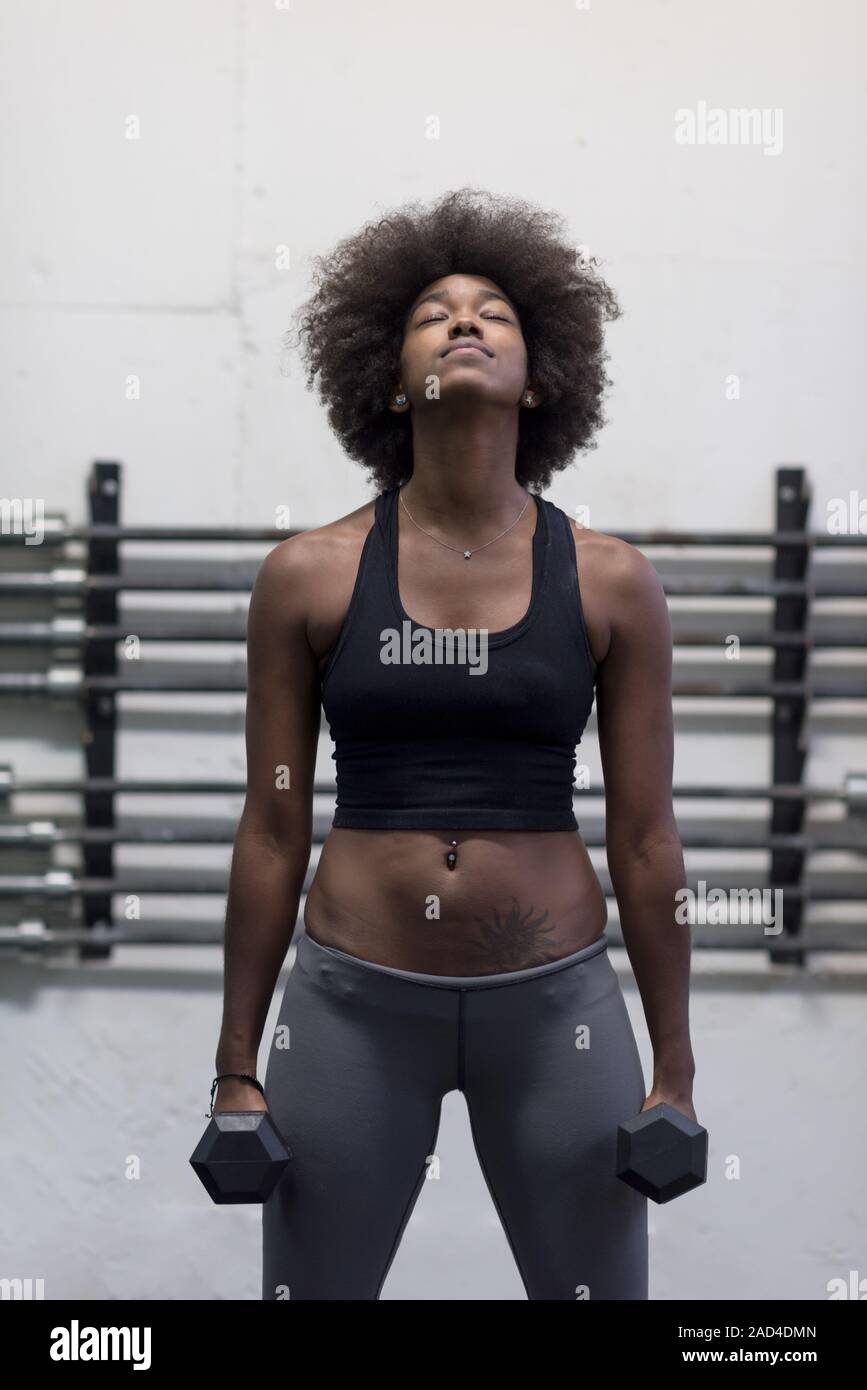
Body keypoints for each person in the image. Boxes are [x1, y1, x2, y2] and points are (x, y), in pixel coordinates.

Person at [212, 188, 698, 1300]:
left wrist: (673, 1064)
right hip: (352, 1004)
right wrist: (235, 1069)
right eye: (434, 312)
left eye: (495, 313)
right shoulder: (310, 574)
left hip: (555, 1003)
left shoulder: (614, 580)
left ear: (542, 377)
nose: (465, 322)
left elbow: (649, 835)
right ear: (391, 377)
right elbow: (274, 825)